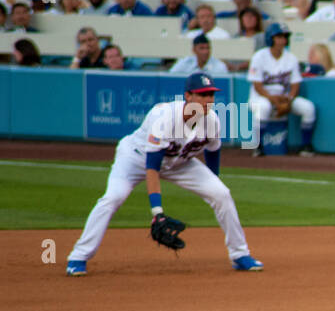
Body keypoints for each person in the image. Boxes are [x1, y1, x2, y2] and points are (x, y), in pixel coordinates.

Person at [65, 72, 263, 276]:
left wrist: (212, 184)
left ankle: (240, 255)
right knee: (113, 197)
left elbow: (212, 152)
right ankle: (78, 256)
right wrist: (157, 211)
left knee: (222, 194)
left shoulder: (211, 120)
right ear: (188, 96)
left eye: (211, 95)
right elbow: (152, 167)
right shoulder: (165, 117)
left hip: (180, 162)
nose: (208, 100)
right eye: (202, 95)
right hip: (135, 158)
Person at [248, 24, 318, 156]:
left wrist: (290, 100)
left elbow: (295, 84)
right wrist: (273, 99)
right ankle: (258, 147)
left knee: (308, 108)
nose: (282, 40)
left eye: (285, 37)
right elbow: (257, 85)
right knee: (263, 108)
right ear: (270, 38)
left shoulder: (291, 58)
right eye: (279, 37)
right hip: (261, 97)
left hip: (284, 98)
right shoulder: (259, 57)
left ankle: (306, 146)